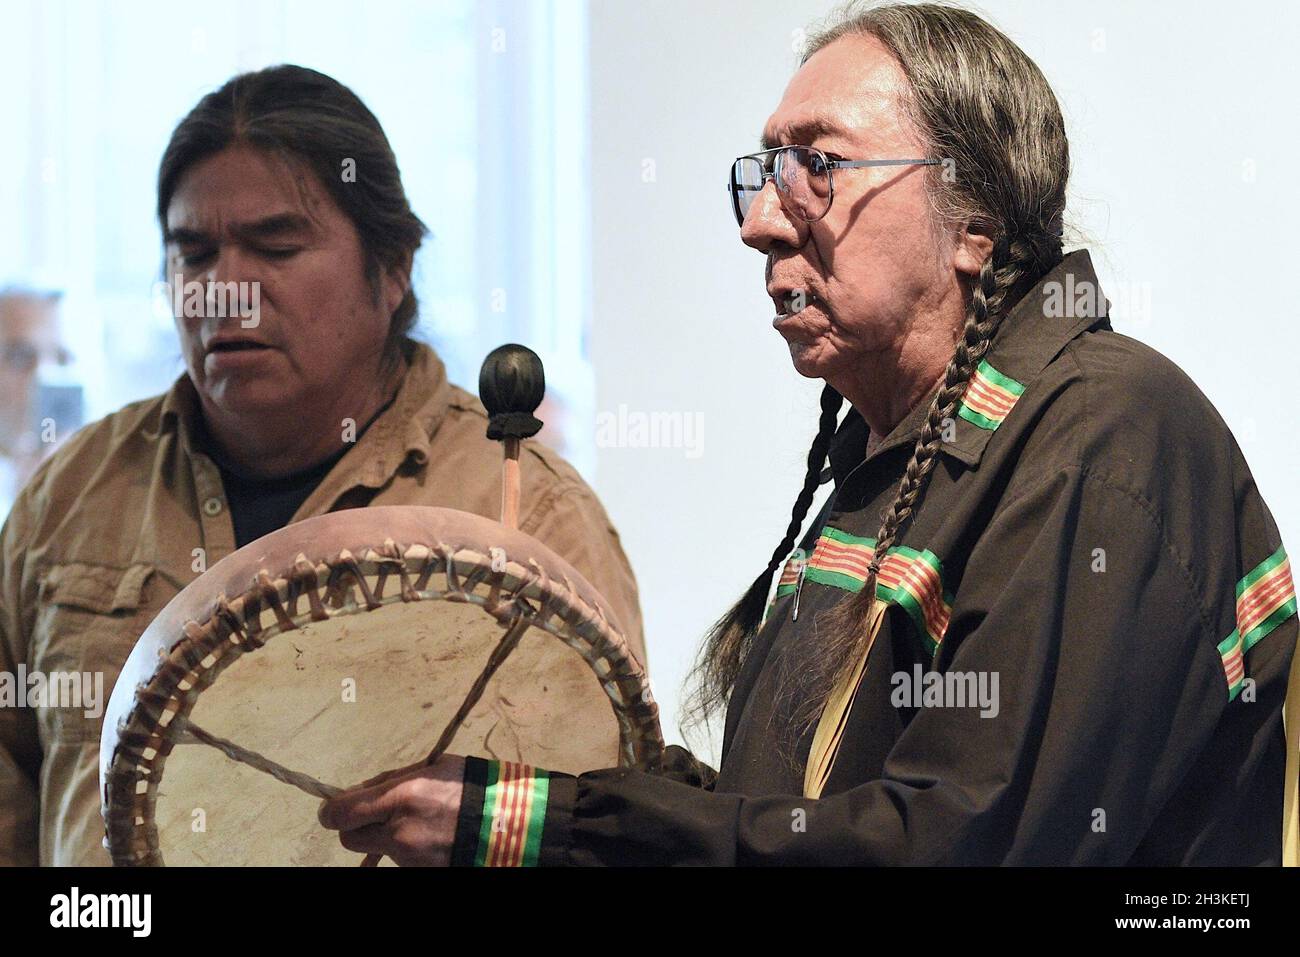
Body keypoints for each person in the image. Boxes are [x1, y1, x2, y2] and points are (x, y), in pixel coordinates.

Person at [317, 2, 1298, 866]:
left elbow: (952, 845)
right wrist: (536, 780)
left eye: (817, 167)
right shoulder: (898, 460)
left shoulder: (1102, 432)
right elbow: (791, 826)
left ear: (974, 223)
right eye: (763, 172)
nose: (759, 223)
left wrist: (565, 824)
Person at [0, 65, 644, 867]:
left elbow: (606, 832)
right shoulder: (69, 495)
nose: (225, 291)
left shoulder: (525, 511)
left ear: (394, 266)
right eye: (194, 255)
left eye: (276, 247)